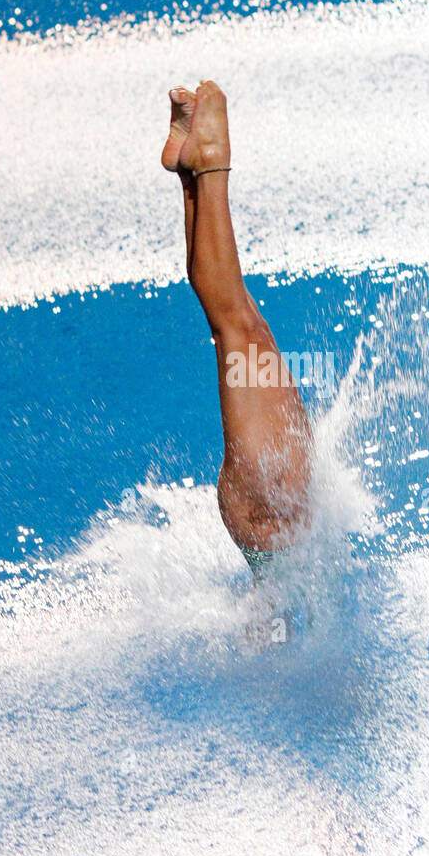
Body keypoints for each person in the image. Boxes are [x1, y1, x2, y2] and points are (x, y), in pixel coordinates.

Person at [161, 80, 312, 575]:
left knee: (236, 329)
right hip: (274, 515)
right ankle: (192, 176)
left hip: (273, 513)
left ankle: (209, 165)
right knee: (245, 325)